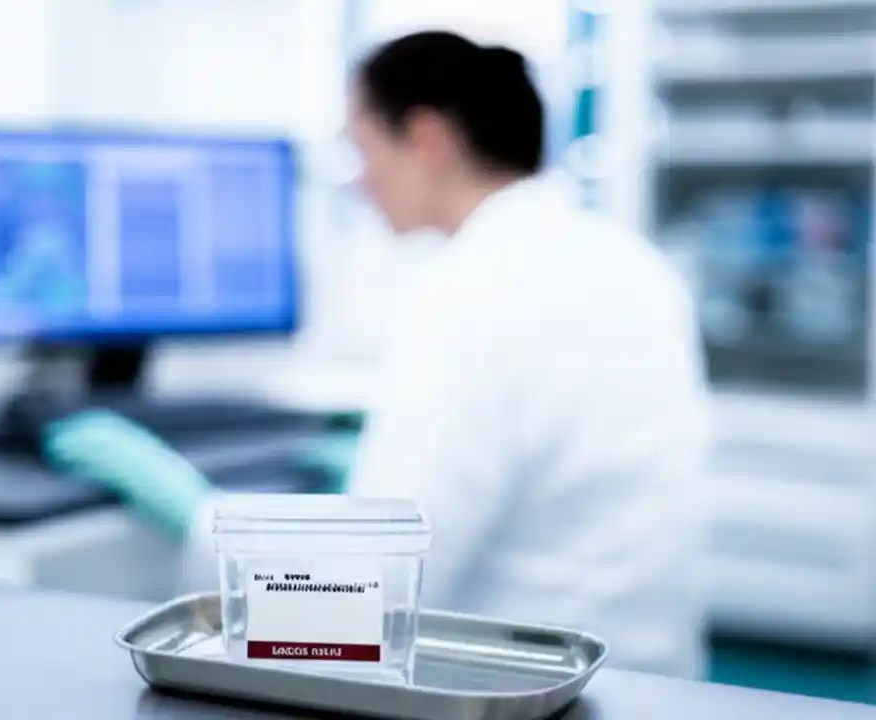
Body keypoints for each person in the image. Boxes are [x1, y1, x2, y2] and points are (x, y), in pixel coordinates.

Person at [47, 31, 709, 679]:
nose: (360, 182)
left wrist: (196, 514)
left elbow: (365, 601)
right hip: (652, 676)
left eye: (362, 149)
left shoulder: (472, 289)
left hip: (520, 688)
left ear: (425, 139)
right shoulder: (626, 261)